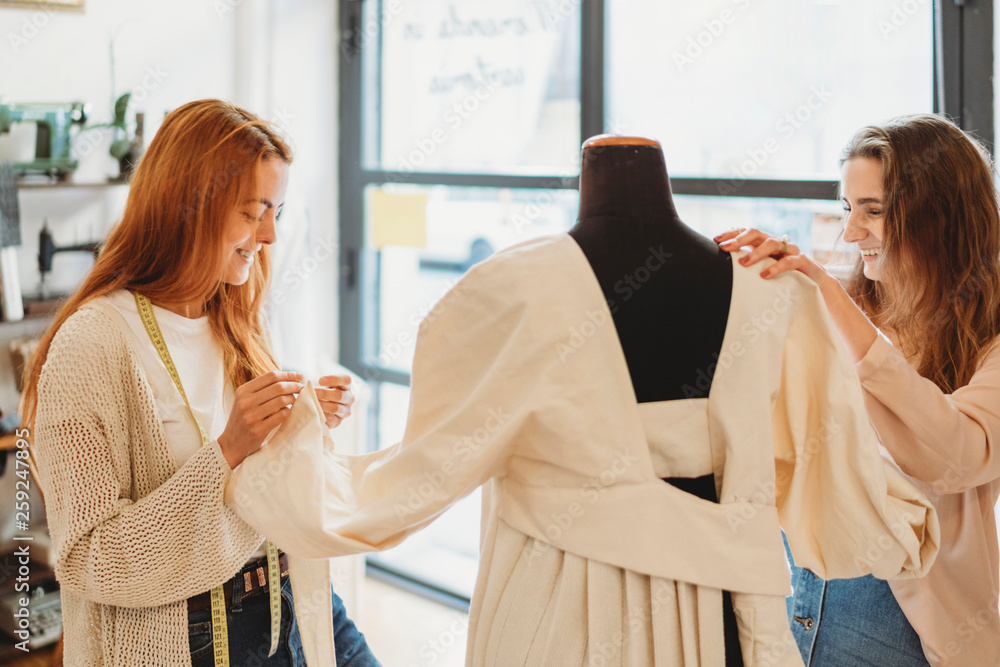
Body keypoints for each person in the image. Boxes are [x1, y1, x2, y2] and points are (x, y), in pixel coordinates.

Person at [225, 136, 939, 666]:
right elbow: (844, 495)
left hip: (554, 615)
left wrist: (289, 457)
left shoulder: (501, 296)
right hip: (721, 622)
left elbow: (413, 480)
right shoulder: (774, 300)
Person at [21, 99, 380, 666]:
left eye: (276, 212)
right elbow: (89, 559)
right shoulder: (91, 346)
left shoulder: (237, 320)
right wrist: (231, 449)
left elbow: (268, 496)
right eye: (252, 211)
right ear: (187, 207)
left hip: (293, 602)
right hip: (188, 641)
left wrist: (302, 431)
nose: (269, 235)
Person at [716, 113, 1000, 666]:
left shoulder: (989, 339)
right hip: (794, 579)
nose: (851, 232)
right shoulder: (839, 311)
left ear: (939, 216)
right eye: (849, 208)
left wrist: (825, 295)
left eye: (873, 211)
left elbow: (958, 457)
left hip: (899, 613)